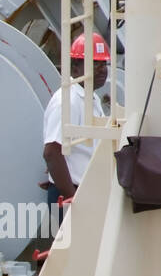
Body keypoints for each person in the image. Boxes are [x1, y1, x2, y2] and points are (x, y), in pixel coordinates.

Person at [42, 32, 110, 221]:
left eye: (104, 64)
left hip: (81, 192)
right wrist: (73, 197)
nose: (102, 70)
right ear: (76, 67)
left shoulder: (91, 97)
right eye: (95, 64)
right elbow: (51, 152)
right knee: (70, 250)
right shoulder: (69, 101)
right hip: (69, 196)